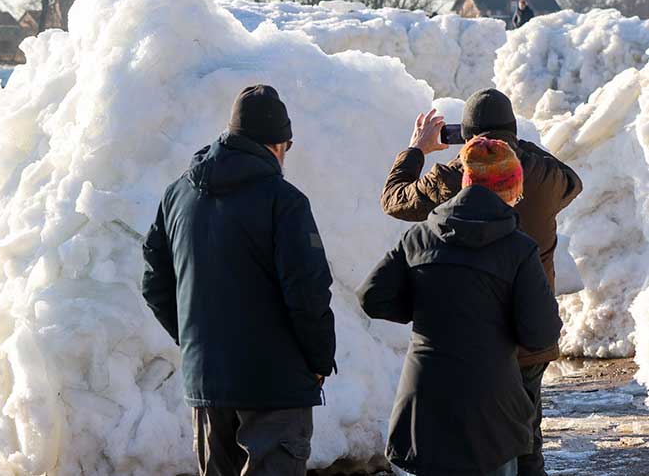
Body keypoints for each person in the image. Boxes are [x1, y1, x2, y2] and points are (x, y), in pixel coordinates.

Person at [379, 88, 582, 476]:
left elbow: (395, 200)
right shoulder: (545, 176)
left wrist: (417, 150)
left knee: (466, 443)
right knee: (525, 442)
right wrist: (517, 147)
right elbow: (573, 180)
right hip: (528, 339)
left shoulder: (454, 176)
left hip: (466, 341)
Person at [142, 85, 336, 476]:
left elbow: (154, 281)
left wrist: (196, 341)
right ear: (278, 144)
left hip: (208, 382)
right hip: (275, 385)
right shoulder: (284, 202)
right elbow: (308, 294)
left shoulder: (177, 194)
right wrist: (318, 361)